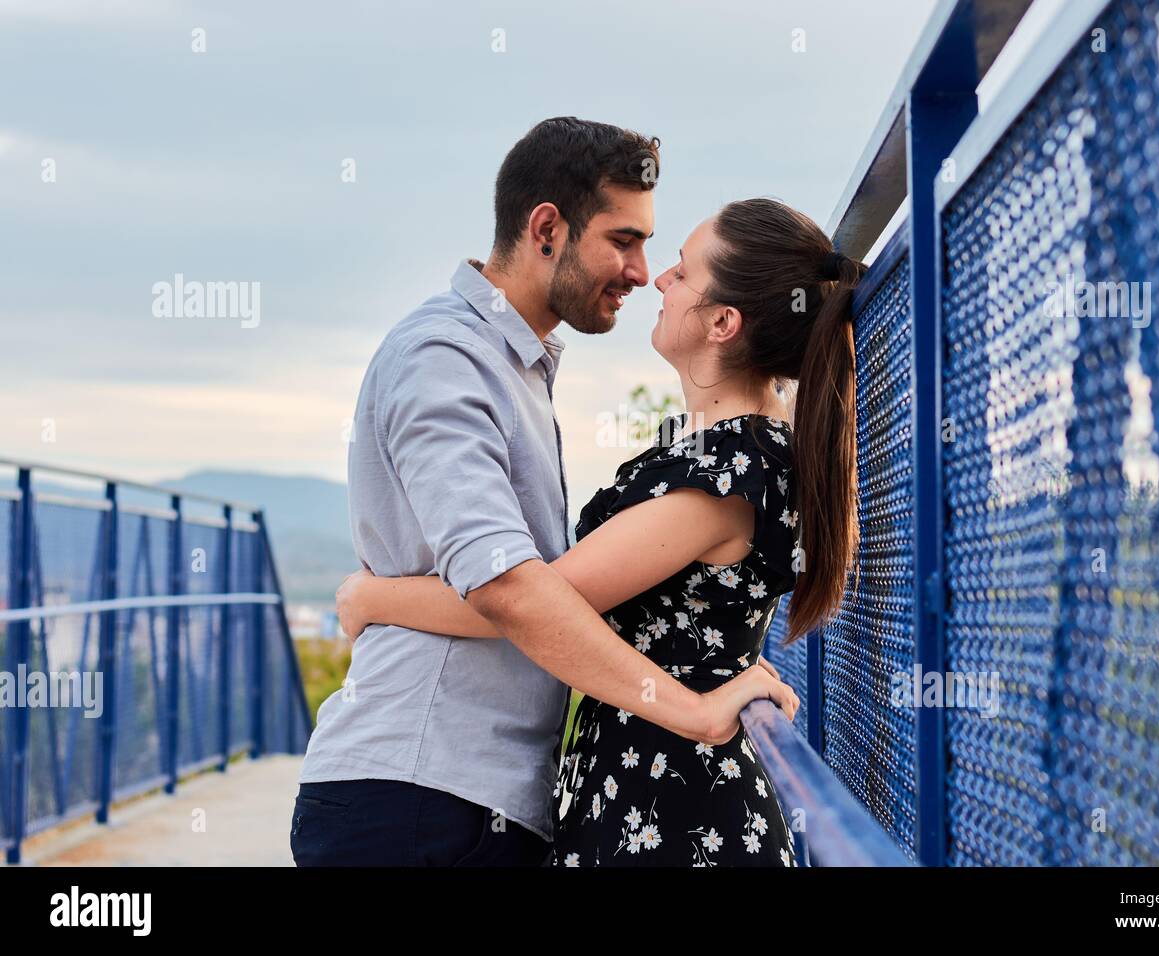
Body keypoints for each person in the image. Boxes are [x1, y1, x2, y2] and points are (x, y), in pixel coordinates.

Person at [290, 118, 800, 868]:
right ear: (547, 230)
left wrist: (373, 598)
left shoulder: (517, 368)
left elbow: (542, 589)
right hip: (419, 795)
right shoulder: (446, 357)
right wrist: (691, 710)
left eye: (658, 252)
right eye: (623, 241)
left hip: (477, 801)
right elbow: (512, 588)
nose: (641, 271)